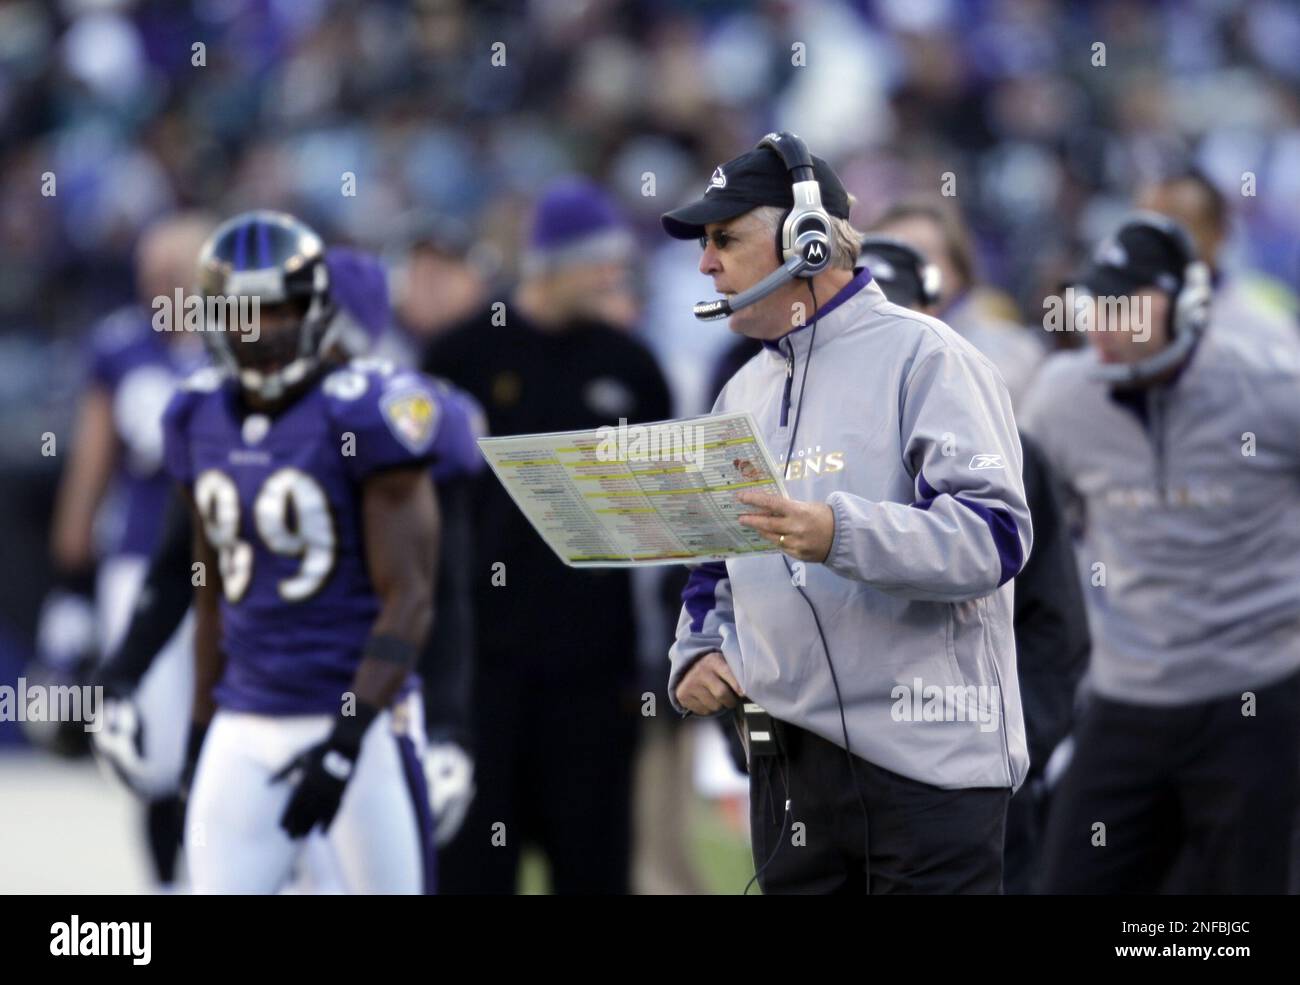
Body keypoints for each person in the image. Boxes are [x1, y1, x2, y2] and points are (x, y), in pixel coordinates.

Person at [663, 133, 1032, 894]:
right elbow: (711, 565)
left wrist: (841, 533)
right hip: (790, 774)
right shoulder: (741, 393)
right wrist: (698, 652)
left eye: (725, 238)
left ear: (807, 240)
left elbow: (994, 538)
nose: (707, 262)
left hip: (927, 774)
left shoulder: (930, 357)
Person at [93, 245, 485, 866]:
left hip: (369, 713)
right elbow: (188, 575)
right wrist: (124, 679)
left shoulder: (391, 417)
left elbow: (435, 592)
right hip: (252, 712)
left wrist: (447, 726)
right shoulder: (214, 413)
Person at [161, 210, 447, 893]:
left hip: (352, 719)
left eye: (276, 309)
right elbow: (211, 592)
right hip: (244, 722)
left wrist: (346, 744)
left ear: (317, 312)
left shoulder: (367, 410)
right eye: (239, 310)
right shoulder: (195, 414)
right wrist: (201, 730)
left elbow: (409, 598)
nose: (256, 329)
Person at [1022, 213, 1300, 893]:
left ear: (1191, 304)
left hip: (1258, 690)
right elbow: (1029, 518)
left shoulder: (1272, 388)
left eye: (1129, 301)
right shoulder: (1062, 397)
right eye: (1099, 299)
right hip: (1129, 692)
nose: (1105, 321)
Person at [425, 178, 672, 894]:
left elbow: (661, 519)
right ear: (550, 263)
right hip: (483, 666)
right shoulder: (461, 355)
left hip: (593, 671)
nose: (611, 275)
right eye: (597, 259)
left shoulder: (631, 366)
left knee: (593, 869)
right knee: (471, 869)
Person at [857, 235, 1090, 893]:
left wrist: (1016, 750)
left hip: (966, 776)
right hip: (836, 779)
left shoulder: (1008, 447)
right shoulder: (810, 442)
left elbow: (1055, 620)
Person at [31, 212, 215, 888]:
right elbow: (90, 466)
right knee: (154, 743)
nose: (163, 281)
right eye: (154, 267)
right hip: (145, 561)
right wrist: (71, 582)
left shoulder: (248, 341)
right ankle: (167, 883)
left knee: (238, 730)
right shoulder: (122, 347)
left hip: (241, 563)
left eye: (178, 267)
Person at [869, 200, 1044, 407]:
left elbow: (973, 410)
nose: (903, 269)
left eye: (920, 252)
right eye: (890, 254)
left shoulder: (1010, 347)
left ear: (956, 269)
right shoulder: (855, 345)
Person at [1136, 170, 1298, 345]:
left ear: (1220, 233)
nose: (1156, 240)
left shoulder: (1268, 328)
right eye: (1145, 225)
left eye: (1176, 224)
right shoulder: (1112, 316)